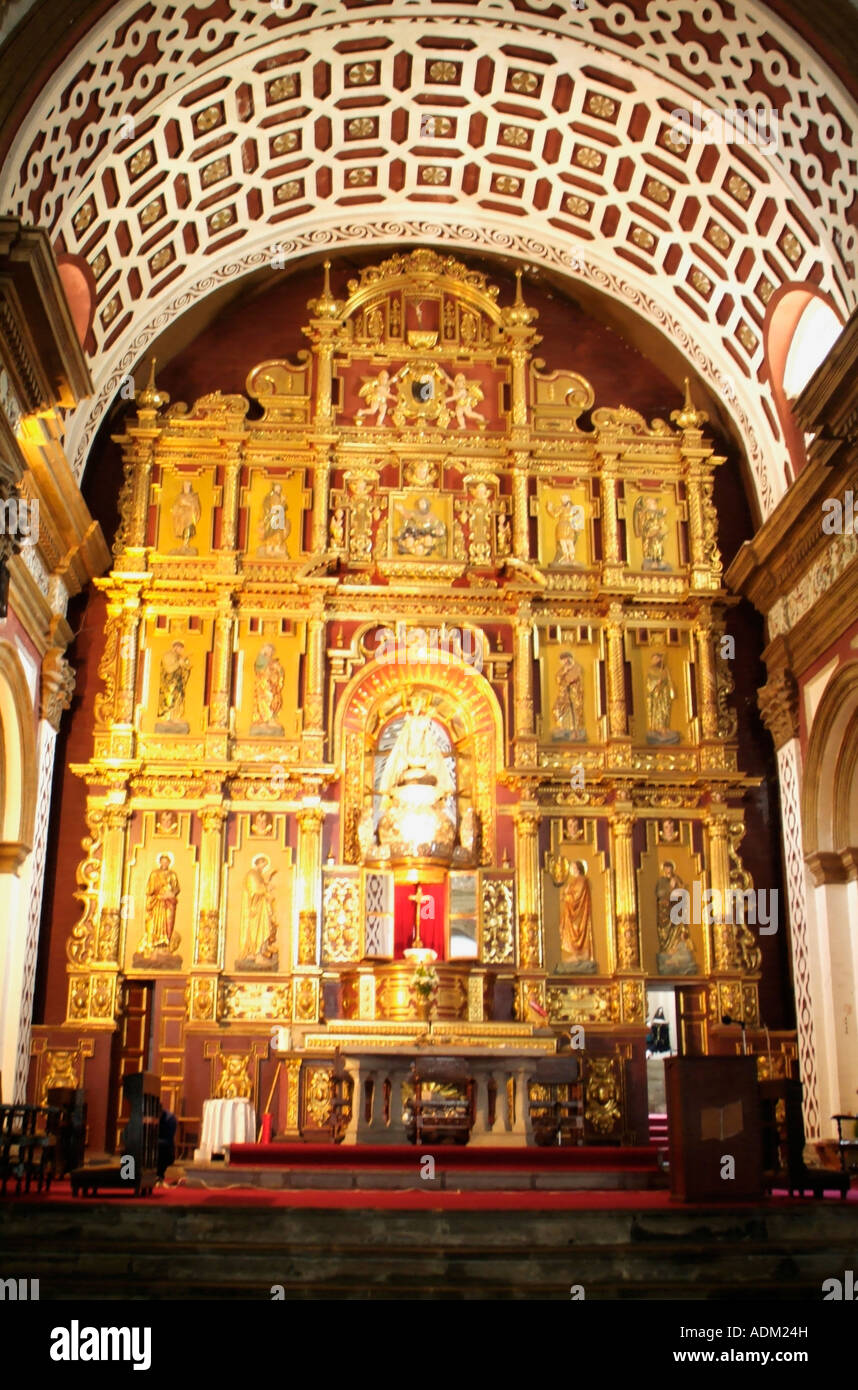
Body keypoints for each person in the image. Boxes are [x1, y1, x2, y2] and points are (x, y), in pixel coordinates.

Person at [559, 861, 595, 966]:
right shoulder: (574, 881)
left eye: (574, 867)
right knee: (568, 931)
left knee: (577, 931)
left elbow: (577, 897)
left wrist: (566, 896)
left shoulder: (582, 880)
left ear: (578, 868)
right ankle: (576, 955)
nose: (572, 870)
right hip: (571, 913)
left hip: (579, 914)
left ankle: (581, 954)